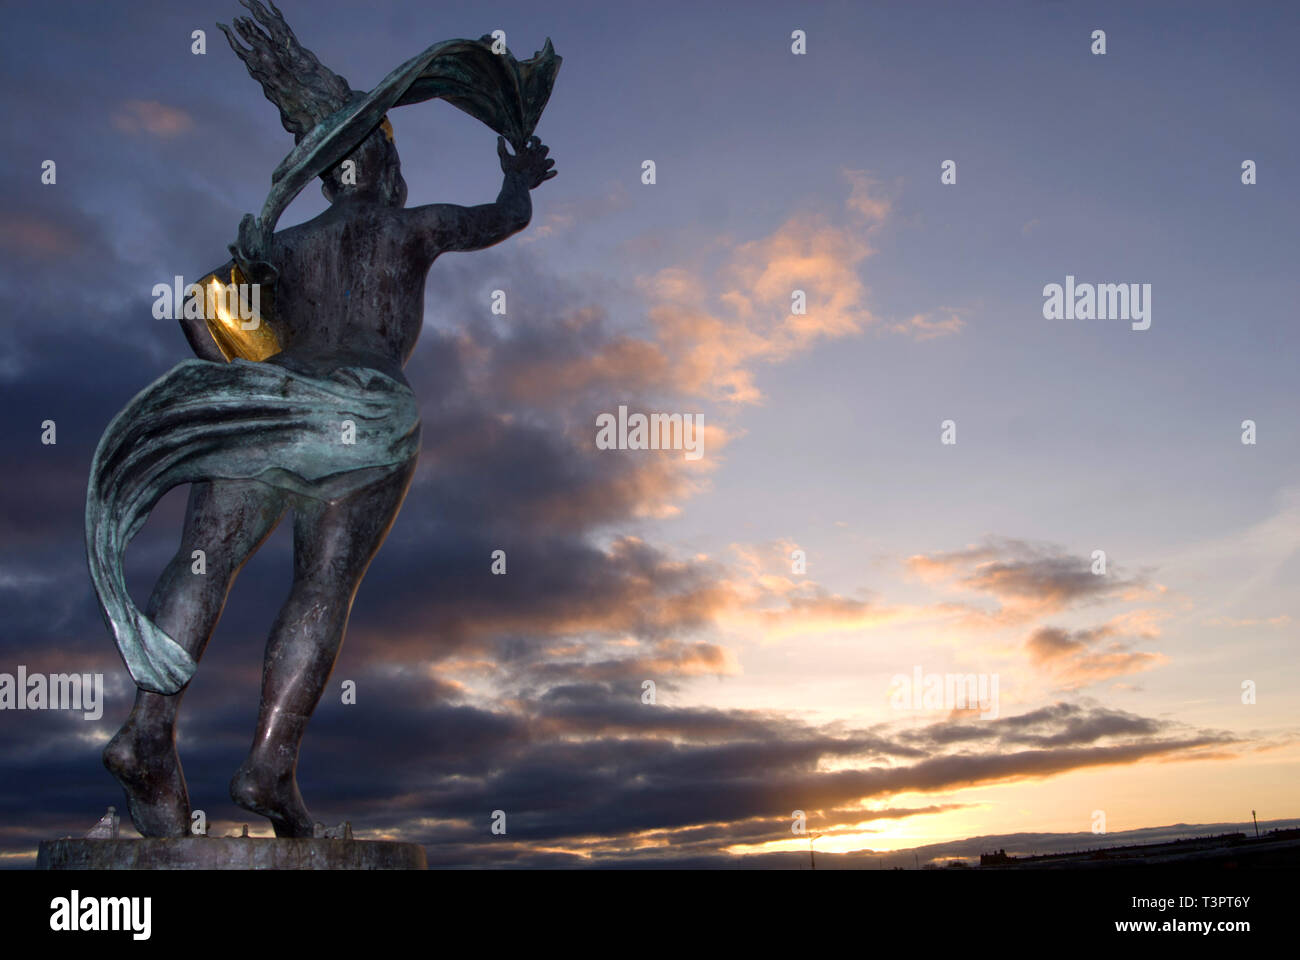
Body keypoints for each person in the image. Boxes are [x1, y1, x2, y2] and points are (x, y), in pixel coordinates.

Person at [89, 0, 557, 838]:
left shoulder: (286, 245)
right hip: (366, 414)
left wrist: (249, 266)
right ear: (379, 162)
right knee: (323, 582)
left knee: (206, 557)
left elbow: (205, 328)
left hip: (270, 405)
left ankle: (146, 729)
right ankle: (269, 764)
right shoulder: (412, 227)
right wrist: (518, 175)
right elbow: (503, 218)